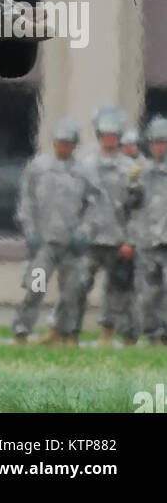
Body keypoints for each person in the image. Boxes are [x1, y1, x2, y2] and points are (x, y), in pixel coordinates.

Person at [12, 118, 98, 345]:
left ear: (74, 145)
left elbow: (94, 207)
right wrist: (30, 231)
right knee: (36, 288)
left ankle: (64, 333)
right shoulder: (38, 168)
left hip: (72, 247)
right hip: (45, 246)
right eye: (60, 142)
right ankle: (22, 331)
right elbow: (26, 202)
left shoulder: (83, 172)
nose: (63, 147)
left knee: (72, 292)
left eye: (68, 143)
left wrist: (84, 231)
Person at [76, 110, 137, 346]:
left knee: (115, 291)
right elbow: (76, 202)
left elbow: (135, 210)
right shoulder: (85, 166)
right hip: (88, 239)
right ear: (99, 135)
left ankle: (106, 334)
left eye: (114, 135)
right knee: (77, 285)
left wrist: (130, 240)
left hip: (117, 239)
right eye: (105, 134)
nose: (109, 139)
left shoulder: (131, 169)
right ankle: (69, 333)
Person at [126, 115, 167, 344]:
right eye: (154, 142)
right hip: (148, 242)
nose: (158, 147)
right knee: (148, 295)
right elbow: (131, 207)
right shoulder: (142, 171)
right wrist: (131, 185)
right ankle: (152, 335)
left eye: (162, 142)